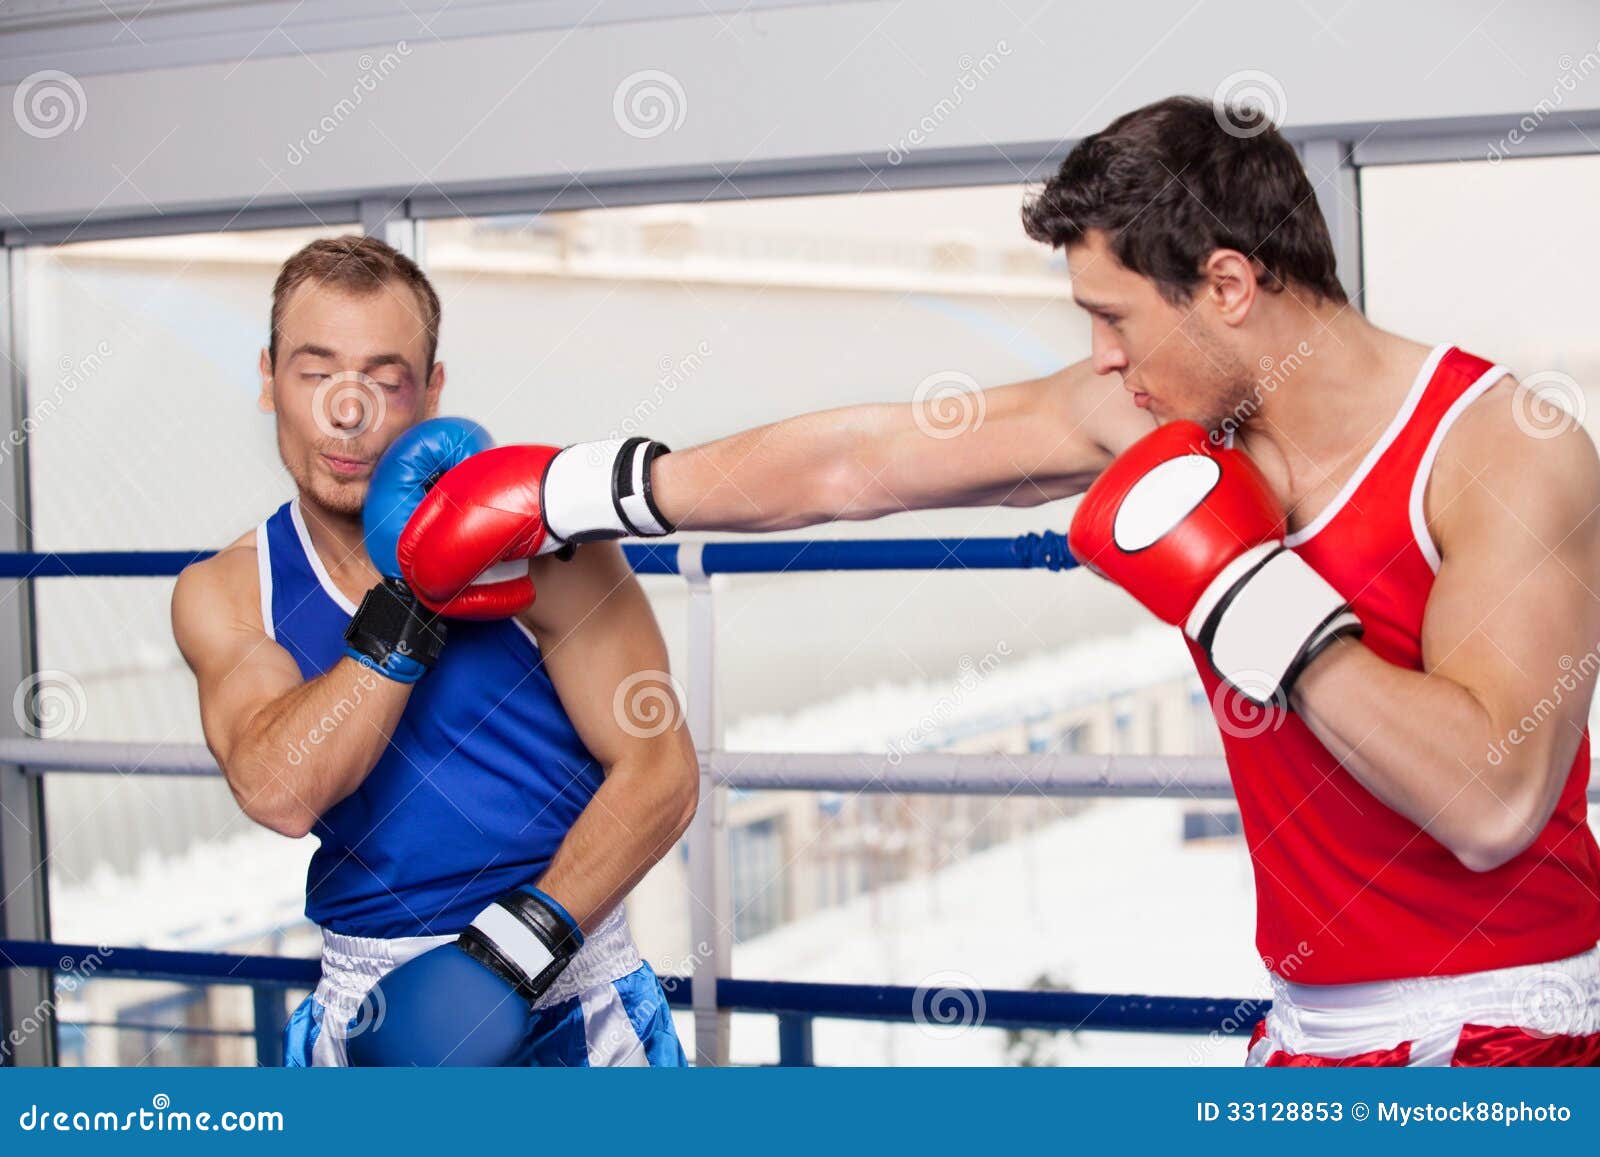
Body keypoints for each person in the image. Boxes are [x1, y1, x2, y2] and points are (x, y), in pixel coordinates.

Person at [410, 96, 1600, 1065]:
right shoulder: (1160, 416)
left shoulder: (1502, 450)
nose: (1101, 357)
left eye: (1113, 317)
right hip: (1311, 1024)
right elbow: (858, 461)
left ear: (1230, 284)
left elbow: (1492, 803)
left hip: (1511, 1022)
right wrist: (578, 488)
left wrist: (1244, 589)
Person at [171, 236, 696, 1066]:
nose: (349, 412)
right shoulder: (230, 589)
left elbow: (661, 771)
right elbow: (280, 790)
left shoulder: (543, 542)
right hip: (367, 1007)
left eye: (385, 380)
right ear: (268, 378)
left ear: (432, 392)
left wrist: (508, 956)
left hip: (572, 989)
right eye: (315, 373)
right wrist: (414, 589)